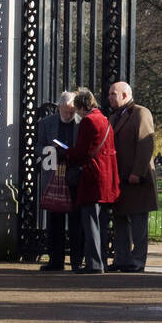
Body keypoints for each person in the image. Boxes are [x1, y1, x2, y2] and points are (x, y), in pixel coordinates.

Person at [64, 87, 119, 273]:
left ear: (81, 106)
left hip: (92, 178)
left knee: (91, 224)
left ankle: (94, 264)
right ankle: (101, 261)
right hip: (106, 178)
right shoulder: (104, 119)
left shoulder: (88, 121)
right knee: (101, 224)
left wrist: (66, 154)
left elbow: (81, 152)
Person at [108, 81, 157, 273]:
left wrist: (137, 171)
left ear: (125, 95)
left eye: (114, 94)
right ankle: (121, 259)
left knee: (138, 224)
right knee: (120, 221)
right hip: (120, 179)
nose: (110, 97)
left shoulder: (140, 113)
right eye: (110, 94)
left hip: (137, 179)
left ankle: (137, 261)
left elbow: (146, 144)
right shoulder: (113, 116)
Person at [37, 91, 84, 271]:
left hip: (74, 176)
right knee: (54, 221)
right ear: (58, 108)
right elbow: (37, 147)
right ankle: (55, 260)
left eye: (72, 112)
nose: (69, 115)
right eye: (65, 111)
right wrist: (50, 150)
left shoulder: (81, 124)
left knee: (76, 221)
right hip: (53, 175)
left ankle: (76, 261)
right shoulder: (46, 124)